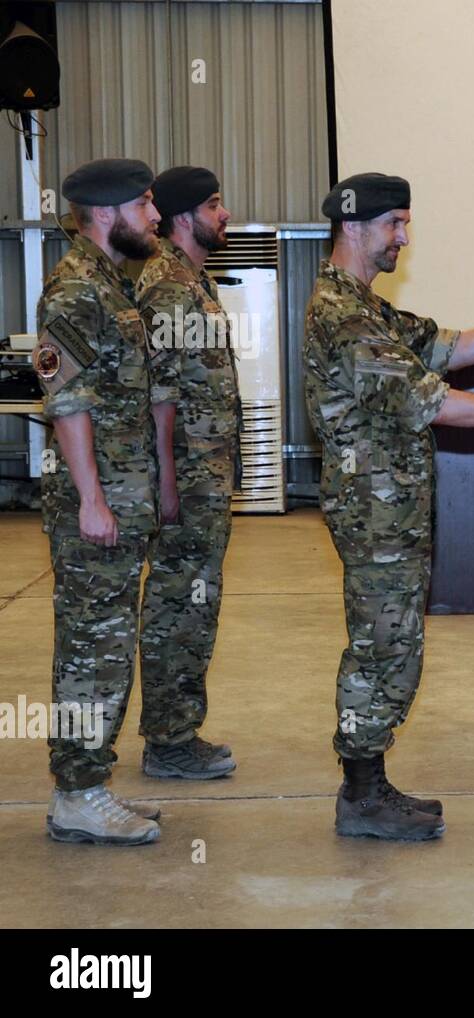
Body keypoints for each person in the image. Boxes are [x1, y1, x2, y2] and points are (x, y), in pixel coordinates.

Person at [305, 172, 474, 841]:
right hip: (374, 516)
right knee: (381, 646)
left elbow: (445, 348)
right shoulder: (341, 317)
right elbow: (434, 401)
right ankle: (361, 796)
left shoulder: (365, 306)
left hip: (391, 513)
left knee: (393, 643)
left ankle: (370, 784)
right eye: (394, 223)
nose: (404, 236)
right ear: (354, 227)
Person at [36, 158, 164, 845]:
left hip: (123, 496)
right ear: (108, 213)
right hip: (98, 504)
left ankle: (90, 786)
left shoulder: (113, 283)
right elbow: (68, 400)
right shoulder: (74, 289)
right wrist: (91, 498)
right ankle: (77, 794)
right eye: (144, 205)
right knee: (90, 649)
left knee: (109, 647)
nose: (155, 217)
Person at [135, 166, 239, 779]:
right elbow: (160, 395)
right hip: (187, 480)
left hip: (204, 475)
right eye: (214, 204)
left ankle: (176, 731)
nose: (224, 214)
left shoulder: (191, 280)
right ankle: (169, 741)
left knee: (192, 601)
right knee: (180, 604)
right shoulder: (170, 286)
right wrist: (169, 484)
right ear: (183, 217)